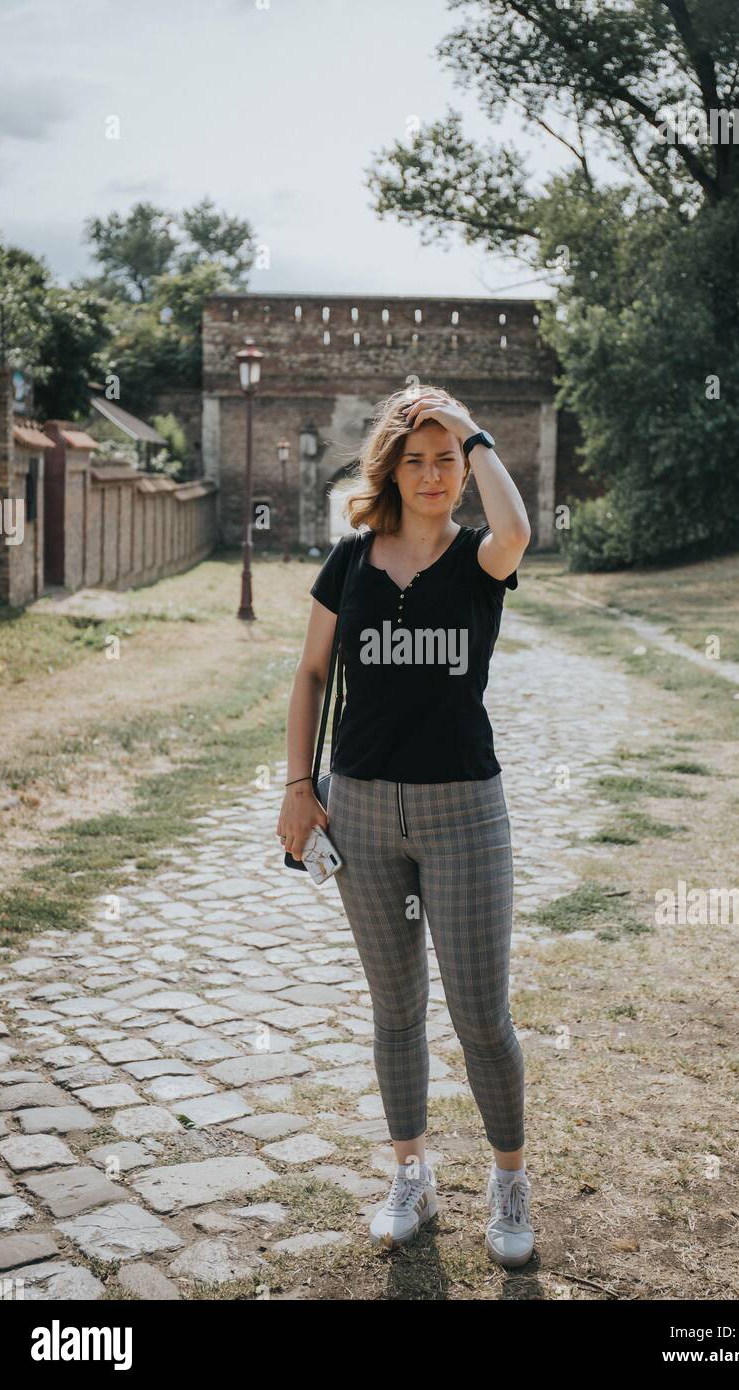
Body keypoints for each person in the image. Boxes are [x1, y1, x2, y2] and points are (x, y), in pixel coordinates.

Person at [277, 384, 533, 1267]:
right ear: (390, 467)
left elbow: (521, 532)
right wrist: (297, 785)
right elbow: (311, 675)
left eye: (447, 459)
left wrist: (471, 428)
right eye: (416, 458)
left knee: (481, 1015)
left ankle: (507, 1181)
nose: (433, 473)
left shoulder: (479, 560)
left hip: (464, 808)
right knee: (394, 1011)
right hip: (361, 809)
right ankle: (411, 1175)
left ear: (465, 471)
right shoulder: (349, 563)